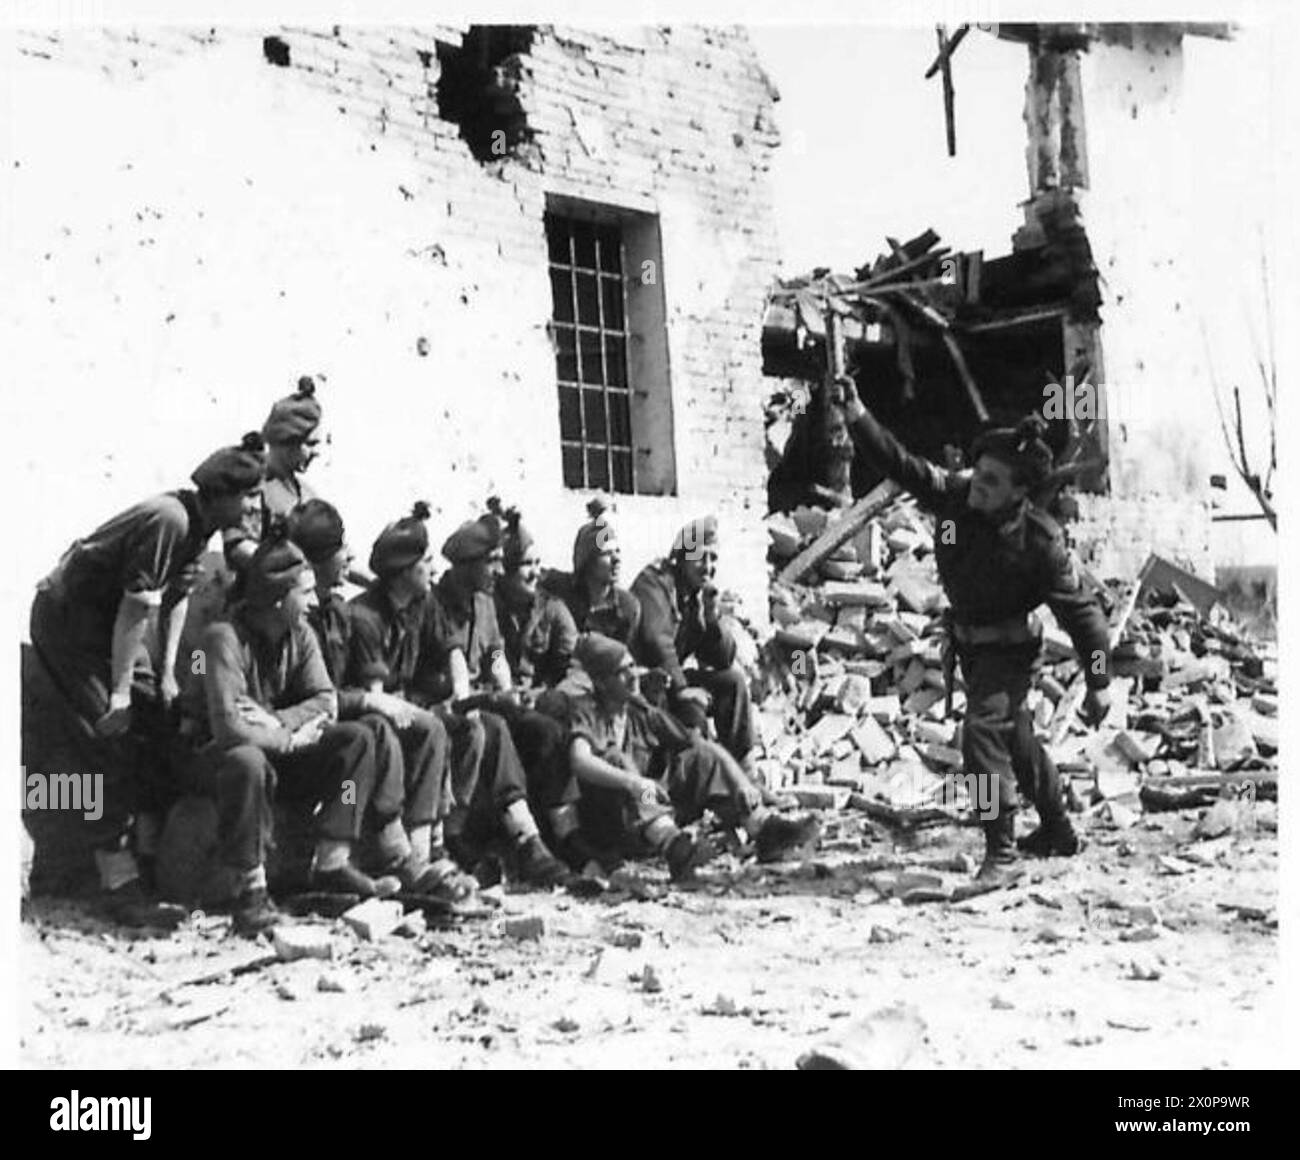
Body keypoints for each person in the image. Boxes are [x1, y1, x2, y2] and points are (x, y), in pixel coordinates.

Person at [839, 376, 1110, 888]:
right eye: (977, 474)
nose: (976, 485)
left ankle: (1000, 852)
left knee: (980, 741)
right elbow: (900, 464)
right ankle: (1057, 830)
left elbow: (1084, 616)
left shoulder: (1041, 543)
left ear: (1019, 492)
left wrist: (1098, 681)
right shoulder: (956, 499)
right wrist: (858, 417)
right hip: (969, 647)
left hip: (1010, 656)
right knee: (1020, 743)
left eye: (990, 482)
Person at [28, 431, 267, 927]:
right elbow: (136, 610)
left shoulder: (200, 530)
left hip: (110, 627)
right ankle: (117, 881)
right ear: (222, 496)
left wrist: (164, 677)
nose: (253, 507)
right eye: (247, 496)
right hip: (69, 623)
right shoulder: (170, 521)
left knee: (157, 719)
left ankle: (151, 859)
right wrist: (118, 692)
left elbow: (175, 600)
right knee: (107, 735)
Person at [187, 531, 398, 936]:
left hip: (278, 747)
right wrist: (287, 738)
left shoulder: (301, 633)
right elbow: (228, 728)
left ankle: (333, 862)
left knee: (356, 740)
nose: (315, 600)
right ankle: (249, 893)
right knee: (246, 761)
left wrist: (274, 720)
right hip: (219, 761)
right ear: (280, 598)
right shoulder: (221, 639)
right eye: (305, 592)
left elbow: (325, 700)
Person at [350, 504, 570, 889]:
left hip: (466, 697)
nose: (499, 572)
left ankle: (549, 836)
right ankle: (458, 839)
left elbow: (491, 650)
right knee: (490, 728)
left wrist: (500, 686)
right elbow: (390, 685)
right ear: (468, 565)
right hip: (416, 703)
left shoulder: (481, 602)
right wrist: (464, 701)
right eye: (492, 563)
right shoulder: (432, 598)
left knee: (542, 727)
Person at [287, 499, 476, 906]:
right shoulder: (340, 616)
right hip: (300, 727)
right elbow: (325, 692)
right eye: (341, 548)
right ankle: (389, 854)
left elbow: (454, 648)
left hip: (339, 714)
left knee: (439, 727)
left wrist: (456, 690)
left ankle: (426, 850)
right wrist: (378, 702)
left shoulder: (334, 610)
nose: (350, 556)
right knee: (372, 736)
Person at [564, 635, 820, 880]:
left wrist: (742, 783)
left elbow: (698, 744)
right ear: (602, 683)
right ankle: (675, 846)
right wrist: (632, 782)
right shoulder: (588, 712)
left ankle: (763, 828)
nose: (632, 676)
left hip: (647, 808)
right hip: (611, 821)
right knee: (616, 761)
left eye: (632, 666)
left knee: (701, 756)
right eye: (621, 672)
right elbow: (580, 760)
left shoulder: (638, 710)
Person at [629, 515, 754, 763]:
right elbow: (657, 641)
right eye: (700, 557)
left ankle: (743, 770)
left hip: (672, 680)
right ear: (682, 557)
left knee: (732, 682)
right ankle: (702, 780)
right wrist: (683, 689)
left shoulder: (697, 594)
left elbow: (722, 659)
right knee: (693, 713)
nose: (708, 567)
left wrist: (711, 618)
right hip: (642, 681)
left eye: (713, 558)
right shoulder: (655, 583)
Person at [223, 376, 323, 575]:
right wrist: (290, 568)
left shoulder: (306, 494)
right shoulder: (251, 486)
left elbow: (332, 549)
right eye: (310, 444)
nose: (317, 452)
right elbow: (237, 548)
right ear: (288, 441)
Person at [554, 496, 640, 646]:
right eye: (606, 553)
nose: (616, 559)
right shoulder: (563, 597)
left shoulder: (627, 607)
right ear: (588, 562)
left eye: (617, 551)